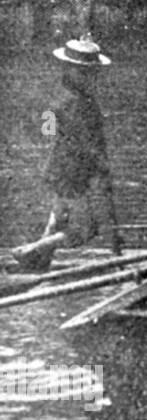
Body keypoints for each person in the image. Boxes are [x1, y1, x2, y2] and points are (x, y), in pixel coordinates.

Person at [10, 35, 123, 272]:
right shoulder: (81, 103)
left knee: (57, 219)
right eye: (85, 73)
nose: (91, 78)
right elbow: (85, 142)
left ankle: (36, 265)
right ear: (72, 71)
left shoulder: (58, 96)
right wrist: (100, 166)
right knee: (86, 228)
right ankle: (31, 251)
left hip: (57, 168)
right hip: (74, 172)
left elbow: (46, 130)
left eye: (92, 73)